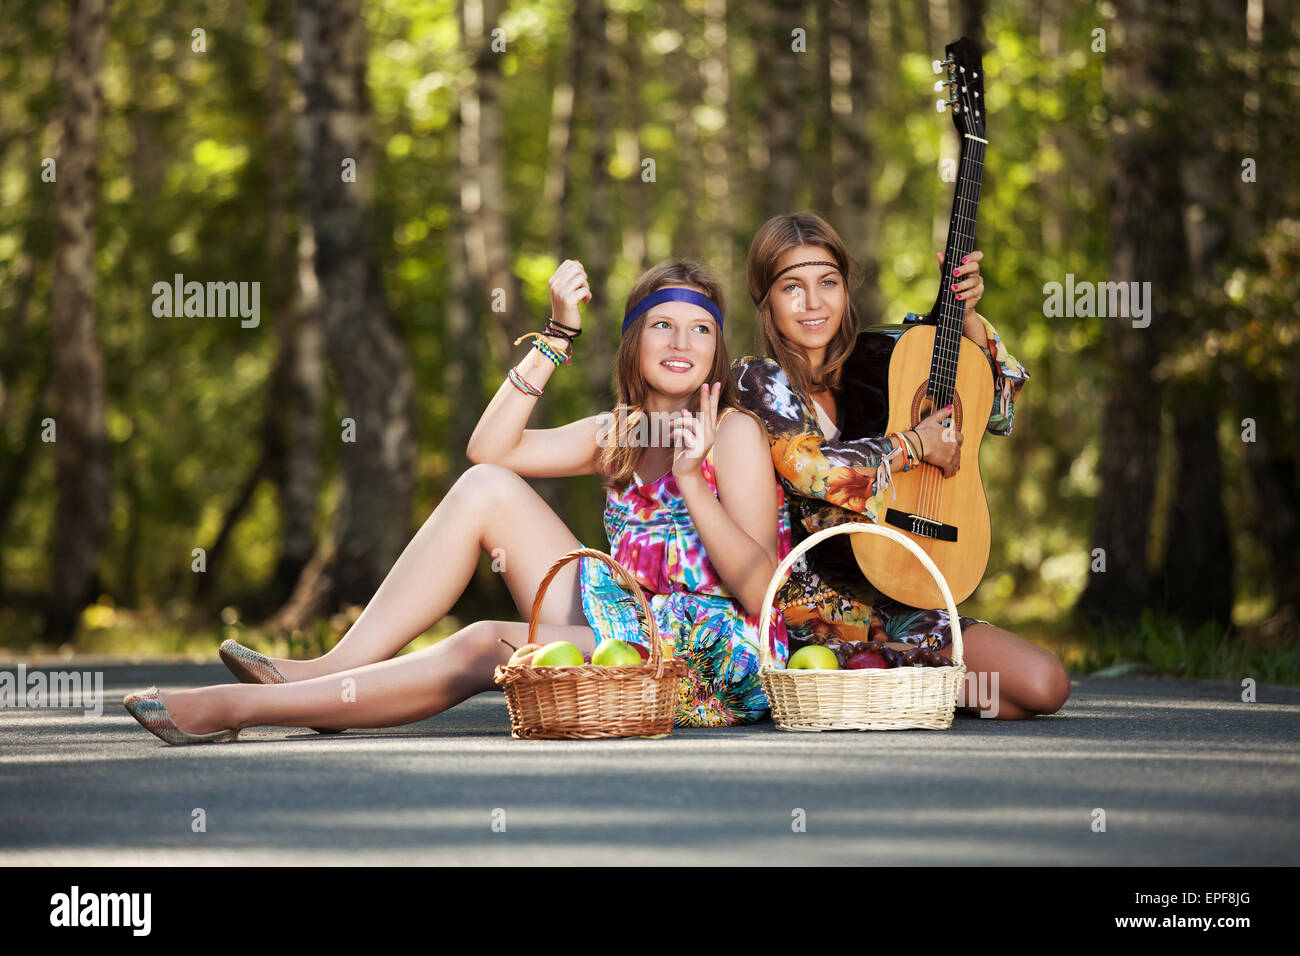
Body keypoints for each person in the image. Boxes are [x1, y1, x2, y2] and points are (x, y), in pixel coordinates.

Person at [123, 258, 790, 744]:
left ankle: (236, 709)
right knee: (484, 489)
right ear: (634, 341)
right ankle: (334, 672)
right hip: (625, 616)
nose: (680, 343)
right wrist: (557, 336)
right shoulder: (616, 433)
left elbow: (763, 594)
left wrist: (692, 480)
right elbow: (488, 449)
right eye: (662, 325)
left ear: (716, 347)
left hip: (709, 651)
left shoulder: (733, 433)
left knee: (482, 644)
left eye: (700, 330)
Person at [731, 212, 1070, 719]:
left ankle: (897, 682)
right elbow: (810, 469)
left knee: (1044, 685)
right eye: (791, 287)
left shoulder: (879, 361)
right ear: (765, 298)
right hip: (813, 616)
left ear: (846, 287)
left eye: (828, 282)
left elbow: (998, 414)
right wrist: (913, 444)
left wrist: (966, 320)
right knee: (1003, 698)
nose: (813, 302)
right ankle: (886, 681)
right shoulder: (758, 377)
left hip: (898, 594)